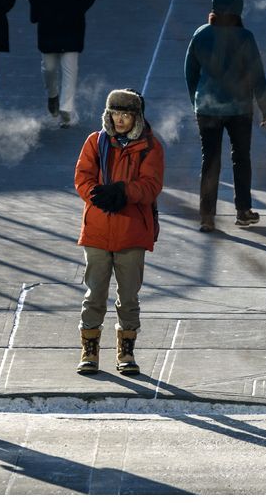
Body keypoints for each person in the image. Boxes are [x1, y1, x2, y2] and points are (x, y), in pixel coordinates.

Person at [73, 88, 164, 376]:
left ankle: (126, 351)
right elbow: (82, 178)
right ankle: (90, 350)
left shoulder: (150, 147)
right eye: (115, 113)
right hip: (98, 231)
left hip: (132, 233)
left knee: (129, 296)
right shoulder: (95, 142)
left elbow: (151, 186)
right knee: (94, 293)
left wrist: (123, 192)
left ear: (136, 116)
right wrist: (96, 194)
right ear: (108, 114)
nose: (120, 119)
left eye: (126, 114)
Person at [184, 0, 266, 233]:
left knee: (210, 161)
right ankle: (243, 211)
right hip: (239, 109)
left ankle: (207, 216)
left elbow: (190, 72)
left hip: (207, 108)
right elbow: (257, 76)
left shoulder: (200, 34)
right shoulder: (245, 37)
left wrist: (197, 100)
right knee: (241, 158)